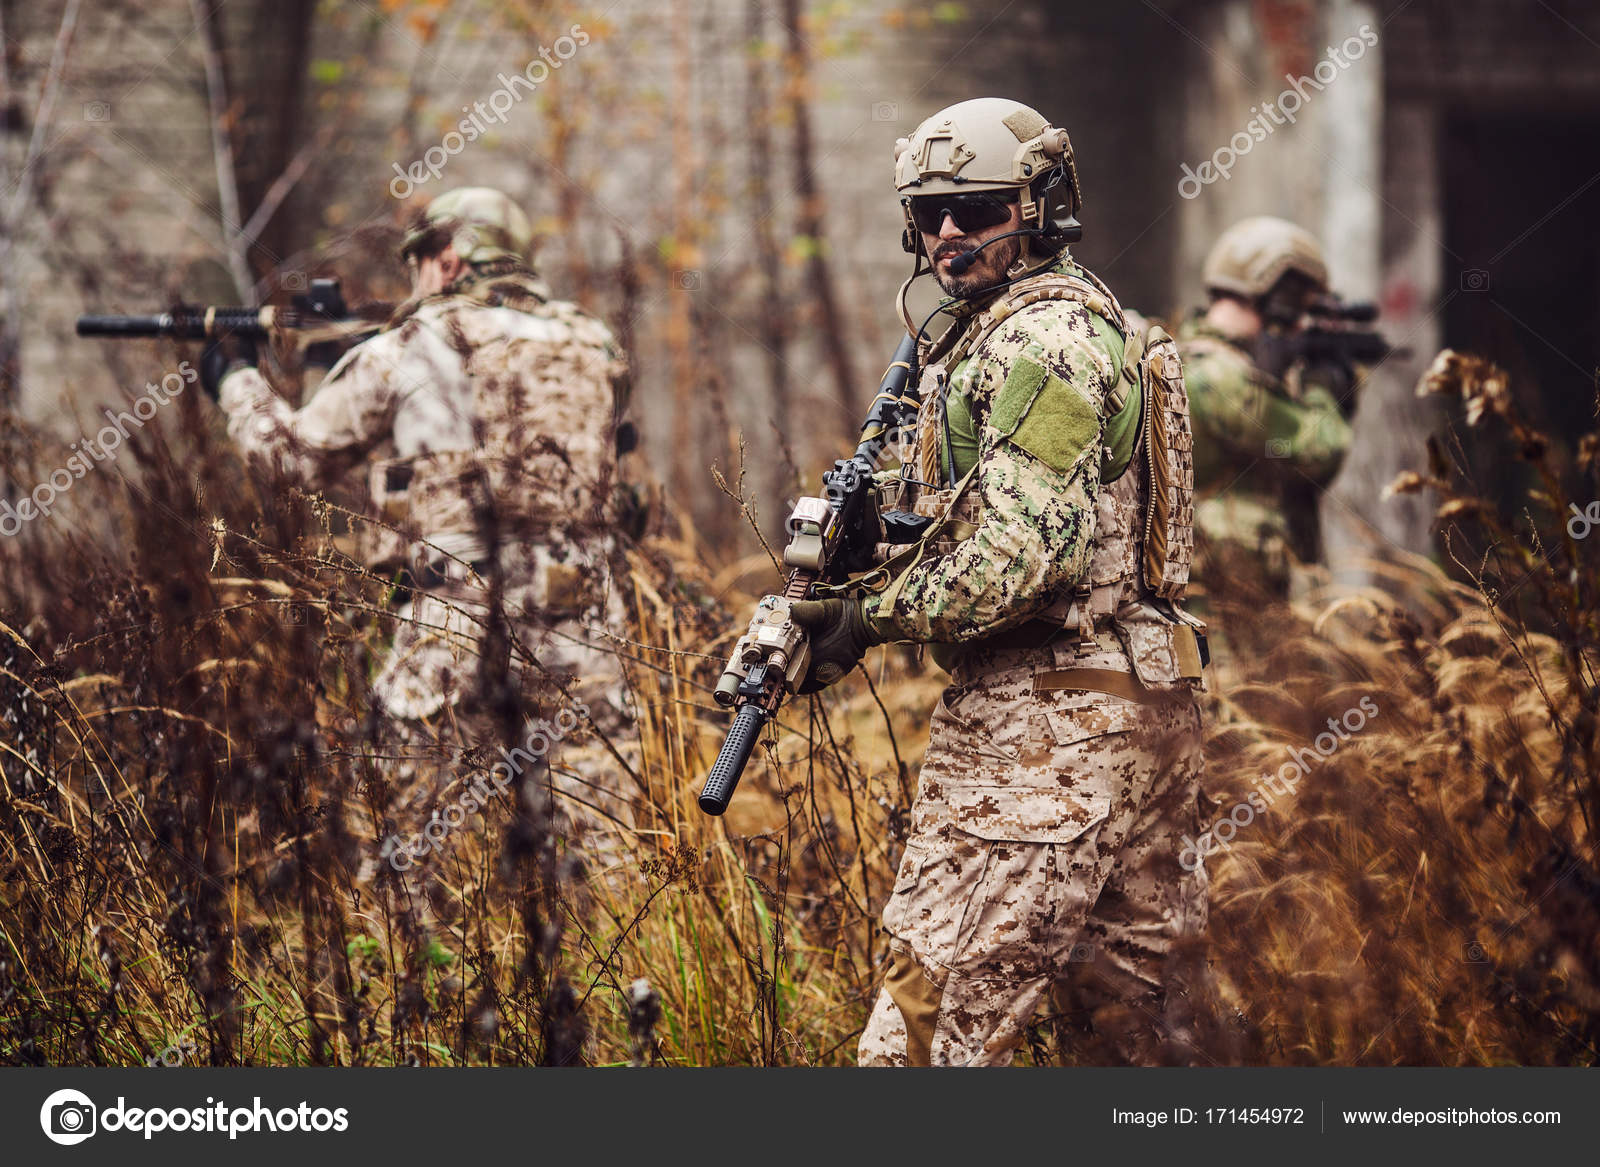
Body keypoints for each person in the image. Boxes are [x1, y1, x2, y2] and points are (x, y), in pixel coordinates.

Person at [790, 98, 1209, 1066]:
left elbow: (1021, 557)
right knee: (1140, 1053)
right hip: (1134, 705)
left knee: (918, 1043)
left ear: (1041, 206)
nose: (946, 234)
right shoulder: (1038, 329)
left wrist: (865, 619)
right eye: (927, 213)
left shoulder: (1042, 342)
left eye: (976, 209)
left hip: (1047, 728)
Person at [204, 187, 638, 904]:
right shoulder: (593, 345)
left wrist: (235, 379)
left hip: (454, 619)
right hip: (579, 614)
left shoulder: (405, 346)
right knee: (600, 838)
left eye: (418, 266)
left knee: (406, 834)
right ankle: (632, 992)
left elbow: (291, 461)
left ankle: (407, 988)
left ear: (448, 259)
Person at [1177, 216, 1352, 597]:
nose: (1300, 325)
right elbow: (1319, 450)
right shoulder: (1221, 378)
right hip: (1221, 611)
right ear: (1281, 300)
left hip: (1216, 594)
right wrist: (1323, 388)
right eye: (1300, 307)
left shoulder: (1189, 357)